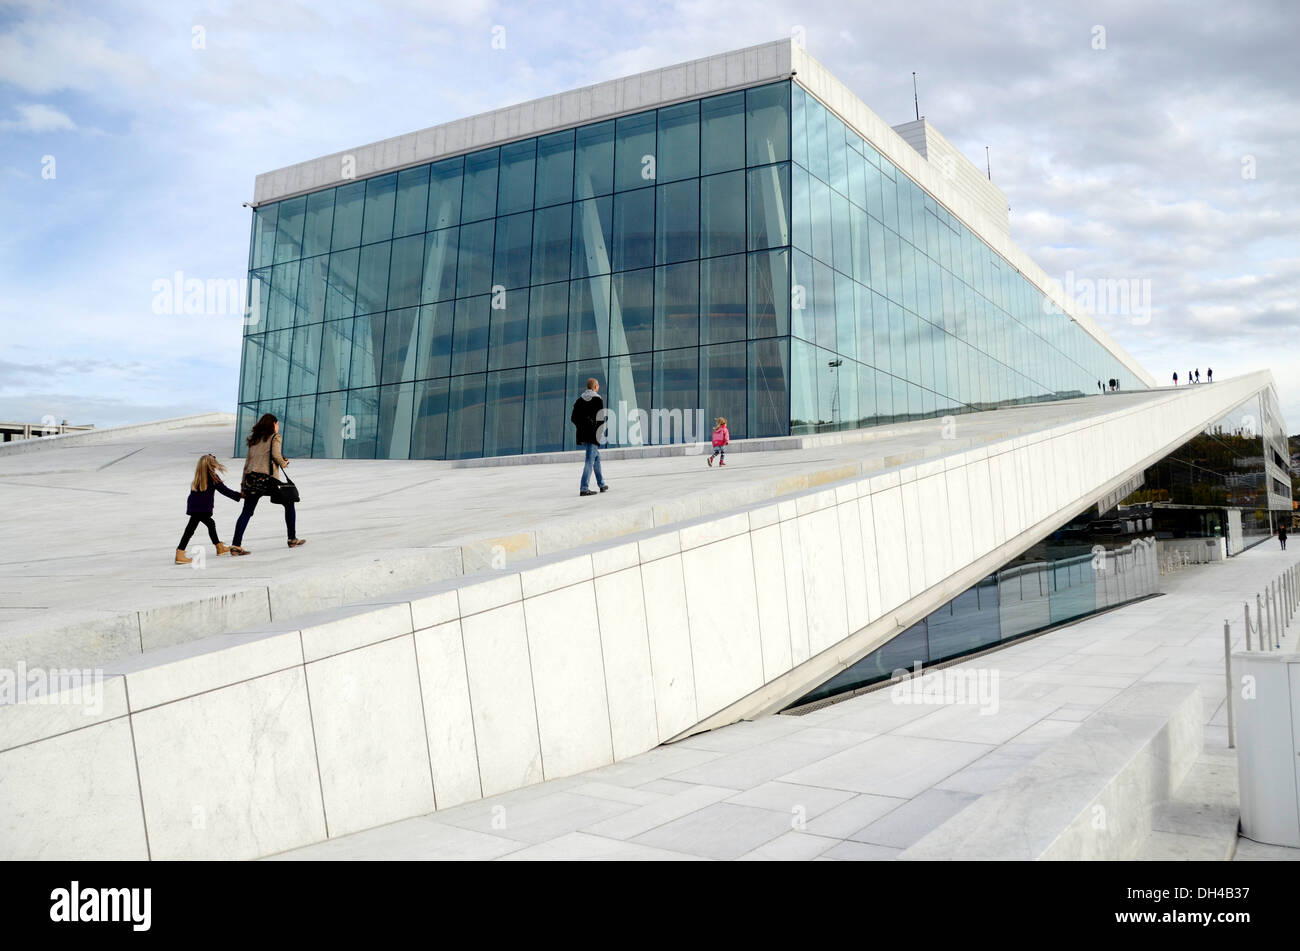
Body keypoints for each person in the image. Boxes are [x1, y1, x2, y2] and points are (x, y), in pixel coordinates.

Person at [230, 413, 304, 555]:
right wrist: (284, 463)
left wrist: (243, 485)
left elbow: (247, 465)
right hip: (267, 480)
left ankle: (235, 545)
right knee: (289, 502)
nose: (278, 426)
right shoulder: (275, 437)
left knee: (246, 512)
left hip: (252, 479)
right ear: (273, 424)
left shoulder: (254, 440)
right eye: (277, 423)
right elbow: (276, 455)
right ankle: (292, 539)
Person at [175, 453, 241, 564]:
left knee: (210, 524)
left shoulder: (198, 477)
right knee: (191, 529)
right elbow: (225, 491)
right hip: (202, 508)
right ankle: (180, 553)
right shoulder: (213, 477)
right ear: (211, 465)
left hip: (195, 507)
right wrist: (240, 495)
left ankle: (219, 547)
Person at [570, 377, 609, 497]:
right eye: (598, 386)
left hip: (583, 435)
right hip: (593, 435)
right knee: (589, 460)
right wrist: (597, 431)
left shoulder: (579, 400)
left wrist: (583, 426)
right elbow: (601, 419)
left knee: (596, 458)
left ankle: (601, 484)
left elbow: (573, 418)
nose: (599, 387)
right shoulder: (597, 400)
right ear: (595, 387)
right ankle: (584, 488)